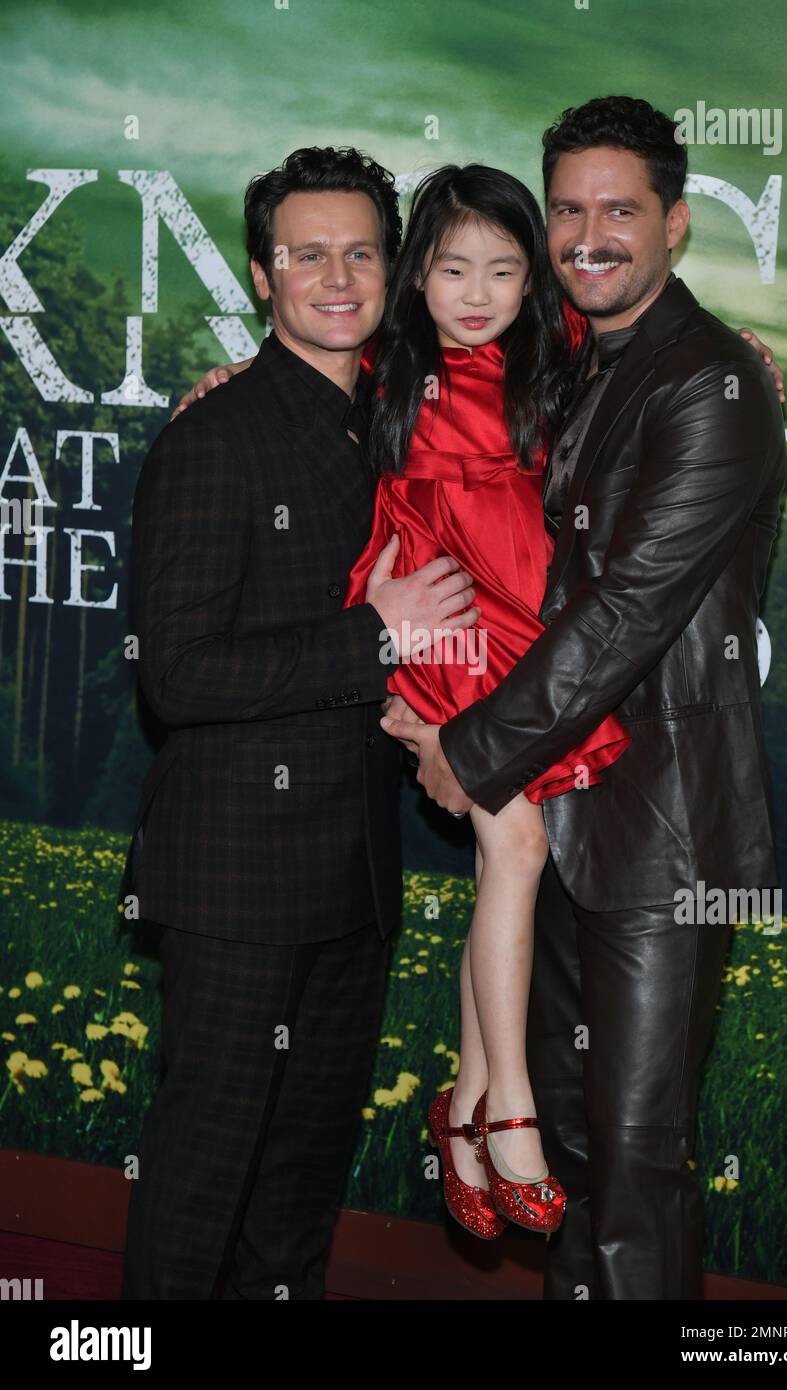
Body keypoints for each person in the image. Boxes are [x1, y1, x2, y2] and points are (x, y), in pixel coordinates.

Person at [383, 97, 787, 1300]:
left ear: (673, 223)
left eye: (620, 209)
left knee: (630, 1169)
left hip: (662, 836)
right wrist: (234, 380)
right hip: (560, 815)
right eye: (567, 208)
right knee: (565, 1153)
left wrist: (473, 748)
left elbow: (624, 612)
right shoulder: (560, 359)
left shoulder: (710, 383)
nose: (588, 232)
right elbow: (407, 362)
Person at [118, 145, 479, 1300]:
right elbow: (178, 675)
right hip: (233, 884)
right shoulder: (211, 437)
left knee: (297, 1195)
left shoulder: (398, 422)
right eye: (307, 253)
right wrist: (374, 635)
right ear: (262, 274)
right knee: (200, 1181)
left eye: (362, 251)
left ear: (394, 269)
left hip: (352, 880)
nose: (338, 276)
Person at [342, 163, 632, 1239]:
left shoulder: (553, 364)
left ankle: (463, 1106)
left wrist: (736, 347)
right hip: (439, 622)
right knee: (514, 851)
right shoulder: (382, 366)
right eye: (453, 267)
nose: (475, 291)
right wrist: (221, 374)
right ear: (416, 272)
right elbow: (283, 366)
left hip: (519, 633)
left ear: (533, 281)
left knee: (506, 856)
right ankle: (506, 1104)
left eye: (503, 270)